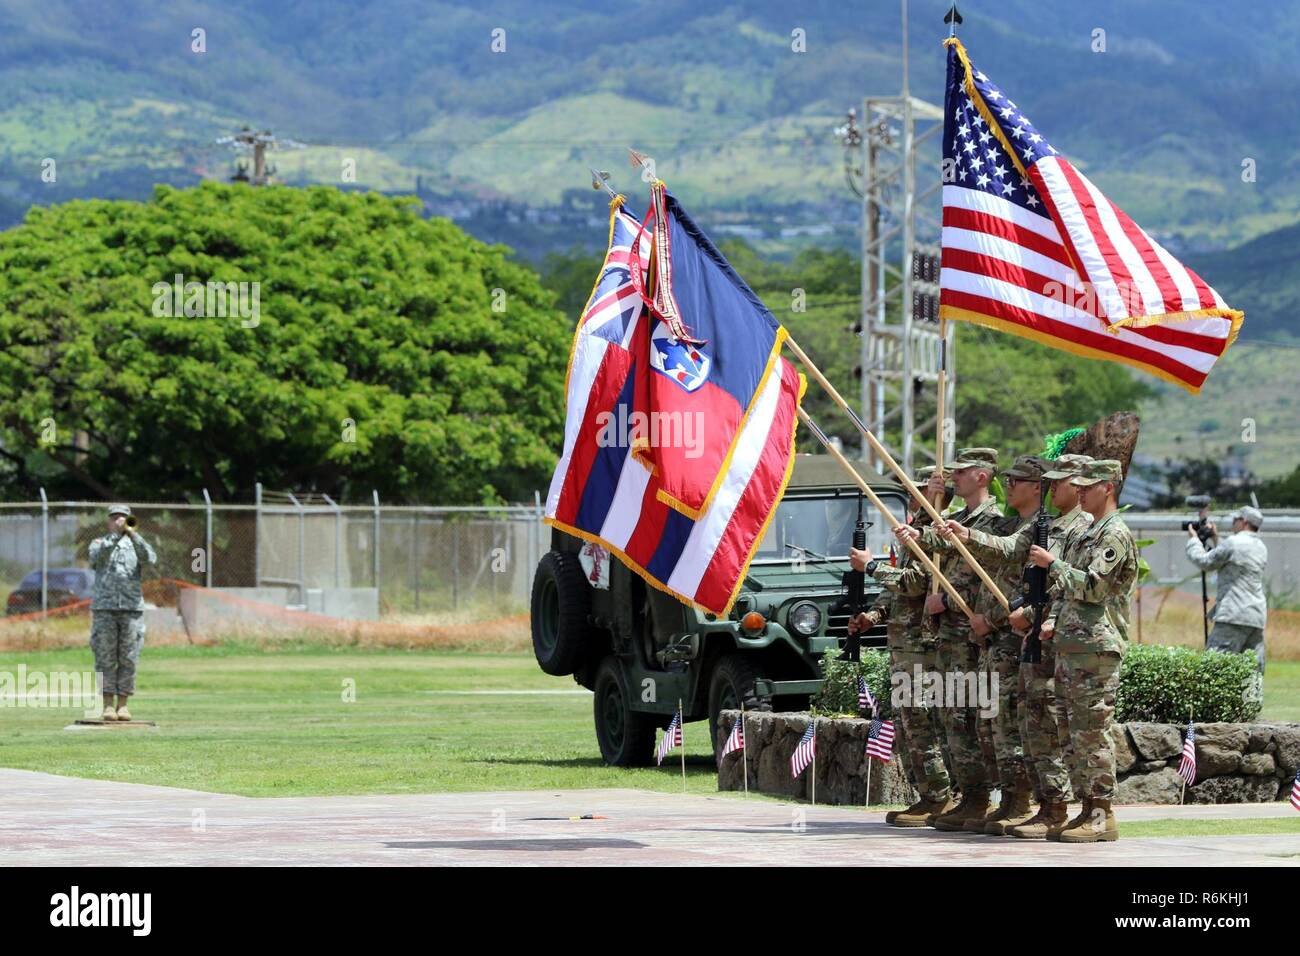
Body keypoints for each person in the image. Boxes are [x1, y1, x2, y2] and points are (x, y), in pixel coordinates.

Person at [939, 453, 1093, 839]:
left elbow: (1076, 582)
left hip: (1061, 637)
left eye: (1057, 482)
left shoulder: (1083, 529)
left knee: (1046, 724)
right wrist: (967, 534)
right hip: (1030, 636)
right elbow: (1008, 549)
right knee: (1019, 724)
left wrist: (1031, 612)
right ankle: (1023, 801)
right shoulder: (1043, 524)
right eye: (1049, 482)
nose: (1052, 488)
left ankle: (1056, 806)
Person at [1026, 459, 1137, 843]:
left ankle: (1103, 813)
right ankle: (1086, 808)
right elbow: (1065, 594)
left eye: (1088, 486)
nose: (1082, 491)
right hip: (1071, 647)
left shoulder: (1114, 535)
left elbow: (1093, 588)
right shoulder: (1086, 533)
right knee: (1071, 735)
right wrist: (1052, 619)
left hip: (1097, 649)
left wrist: (1052, 563)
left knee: (1092, 733)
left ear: (1107, 487)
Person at [894, 447, 1004, 832]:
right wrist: (921, 521)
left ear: (983, 476)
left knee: (970, 717)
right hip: (947, 636)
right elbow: (929, 545)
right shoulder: (956, 517)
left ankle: (978, 797)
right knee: (951, 718)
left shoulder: (994, 522)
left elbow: (991, 577)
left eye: (963, 472)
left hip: (971, 631)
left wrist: (955, 605)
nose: (955, 477)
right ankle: (965, 795)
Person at [846, 466, 957, 827]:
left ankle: (939, 795)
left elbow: (916, 583)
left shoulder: (933, 535)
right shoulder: (913, 532)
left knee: (921, 721)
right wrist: (872, 616)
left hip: (922, 644)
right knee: (908, 722)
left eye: (916, 490)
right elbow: (896, 589)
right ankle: (927, 795)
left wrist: (872, 565)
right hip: (903, 642)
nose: (910, 497)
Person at [960, 455, 1052, 834]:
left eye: (1018, 480)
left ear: (1037, 487)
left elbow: (1008, 551)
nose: (1009, 485)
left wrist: (968, 536)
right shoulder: (1013, 522)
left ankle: (1023, 801)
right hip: (995, 636)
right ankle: (1010, 799)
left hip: (1015, 636)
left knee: (1013, 724)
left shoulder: (1039, 527)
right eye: (1009, 479)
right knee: (993, 725)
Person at [88, 505, 157, 721]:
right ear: (109, 522)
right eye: (115, 518)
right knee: (105, 658)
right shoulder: (99, 543)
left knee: (129, 657)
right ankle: (108, 704)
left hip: (131, 609)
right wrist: (115, 537)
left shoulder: (136, 545)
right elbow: (95, 558)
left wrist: (133, 535)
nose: (119, 521)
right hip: (104, 609)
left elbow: (150, 559)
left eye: (123, 517)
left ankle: (123, 705)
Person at [1184, 505, 1268, 675]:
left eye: (1235, 519)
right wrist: (1215, 537)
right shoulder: (1261, 546)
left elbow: (1205, 561)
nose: (1232, 523)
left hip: (1233, 615)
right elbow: (1232, 558)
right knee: (1251, 672)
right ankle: (1251, 701)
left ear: (1243, 521)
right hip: (1255, 616)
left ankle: (1214, 703)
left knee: (1214, 668)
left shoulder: (1233, 542)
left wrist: (1194, 540)